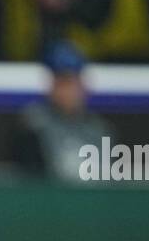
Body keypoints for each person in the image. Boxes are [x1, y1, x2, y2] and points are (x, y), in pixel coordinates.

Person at [11, 41, 114, 183]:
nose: (67, 92)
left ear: (83, 85)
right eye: (61, 83)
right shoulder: (33, 126)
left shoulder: (98, 130)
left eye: (72, 82)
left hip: (91, 202)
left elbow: (108, 182)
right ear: (51, 86)